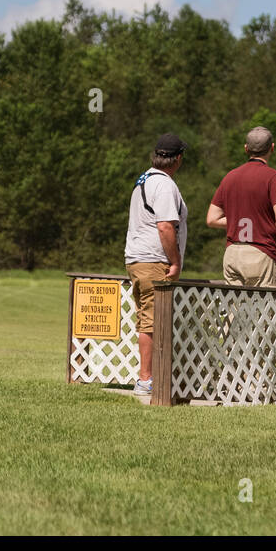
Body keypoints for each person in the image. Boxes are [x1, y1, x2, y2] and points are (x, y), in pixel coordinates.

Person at [124, 133, 188, 395]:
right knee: (152, 321)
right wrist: (175, 261)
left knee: (146, 318)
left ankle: (148, 377)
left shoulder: (145, 178)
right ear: (179, 158)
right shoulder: (164, 185)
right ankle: (146, 380)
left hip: (138, 258)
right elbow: (164, 226)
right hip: (154, 260)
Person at [207, 125, 276, 286]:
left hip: (233, 253)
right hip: (262, 252)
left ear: (246, 149)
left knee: (235, 309)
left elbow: (212, 219)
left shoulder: (229, 177)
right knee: (265, 309)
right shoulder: (273, 177)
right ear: (272, 148)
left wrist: (235, 220)